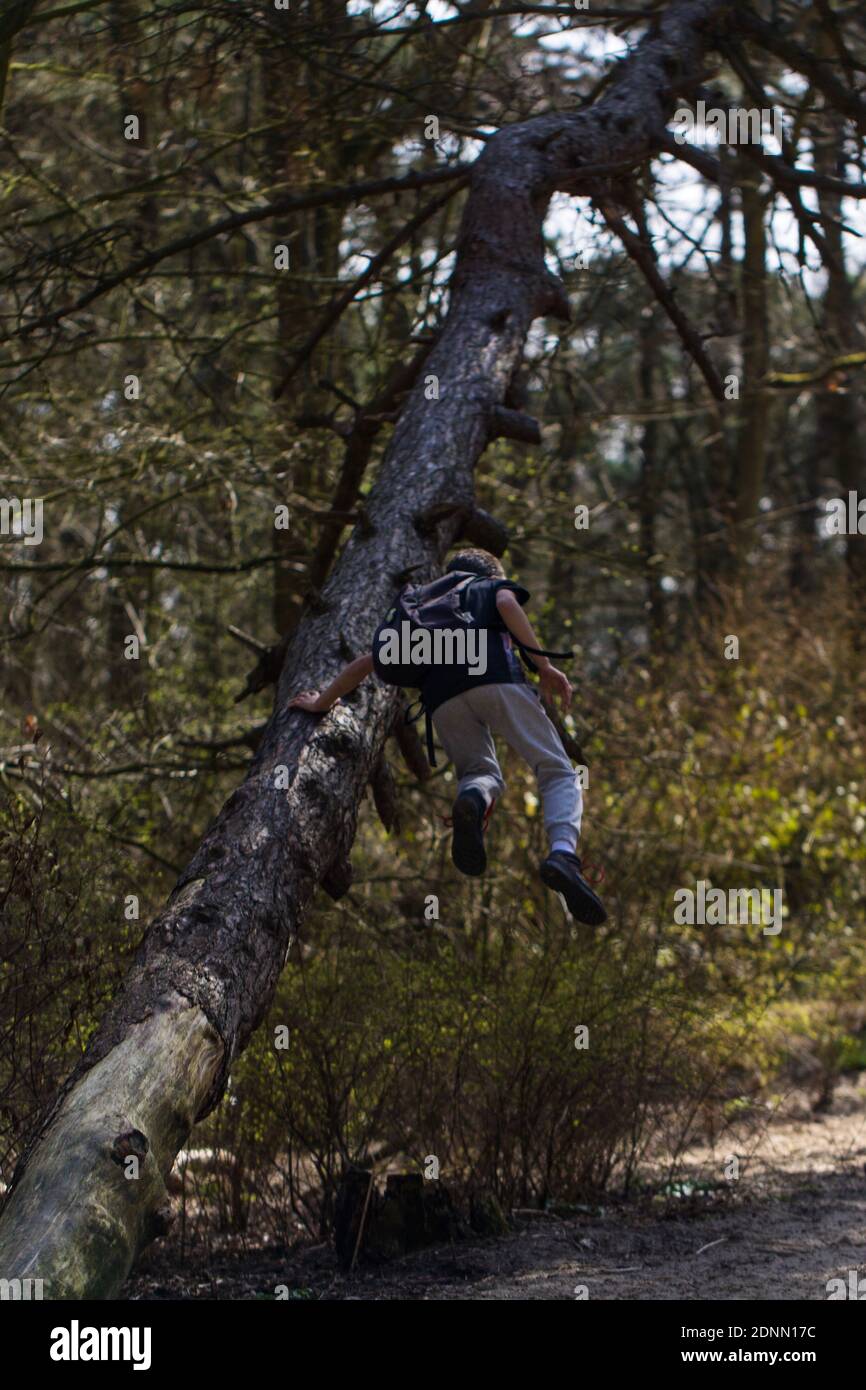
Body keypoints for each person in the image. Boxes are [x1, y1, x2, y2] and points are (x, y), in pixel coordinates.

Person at [289, 547, 606, 925]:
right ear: (489, 571)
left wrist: (322, 701)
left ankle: (471, 799)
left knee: (477, 773)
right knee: (556, 771)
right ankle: (562, 855)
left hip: (443, 700)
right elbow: (506, 601)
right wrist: (545, 666)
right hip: (496, 680)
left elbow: (369, 661)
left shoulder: (420, 604)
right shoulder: (486, 586)